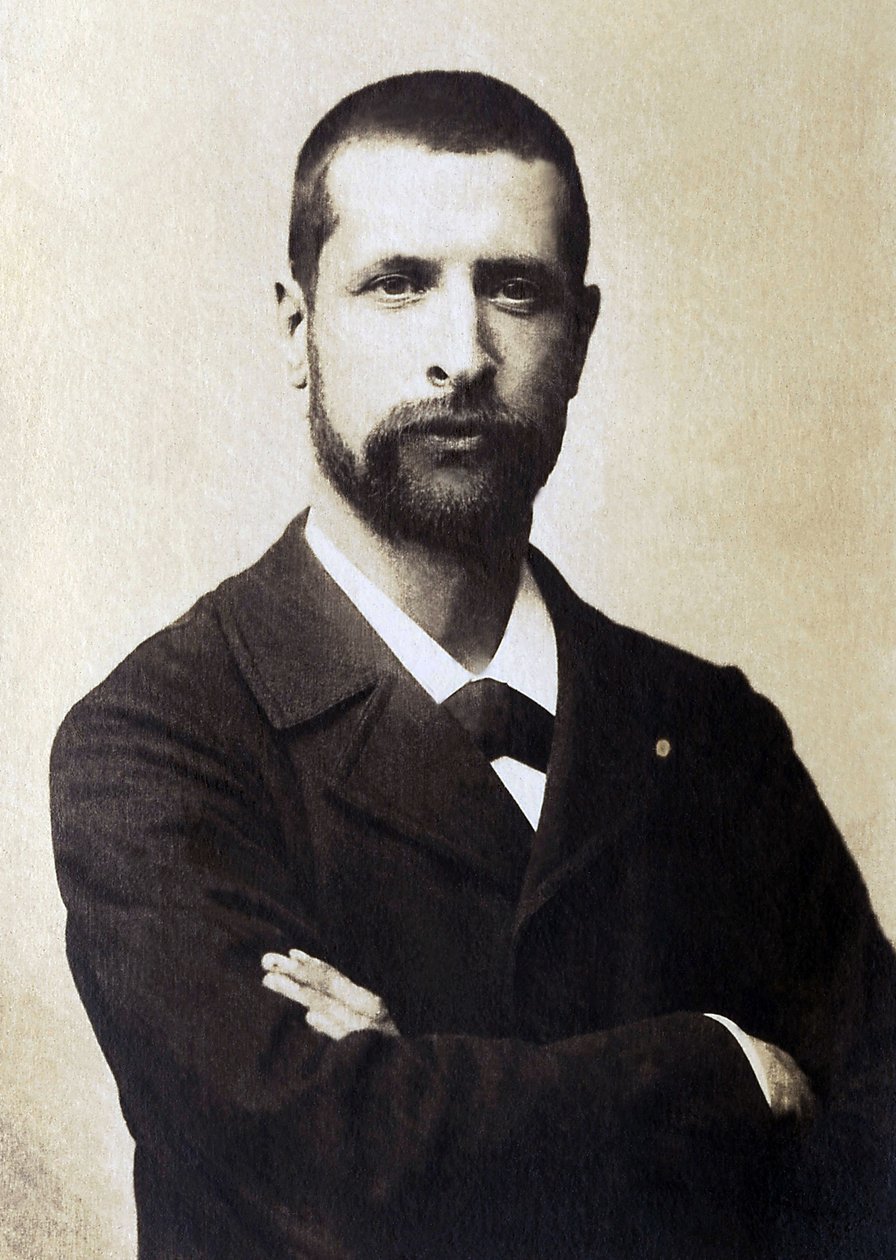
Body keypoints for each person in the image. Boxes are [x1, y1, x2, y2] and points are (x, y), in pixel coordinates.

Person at [50, 71, 895, 1259]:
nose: (462, 353)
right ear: (298, 331)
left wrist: (421, 1089)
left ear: (580, 337)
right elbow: (330, 1173)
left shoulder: (712, 734)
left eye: (514, 290)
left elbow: (875, 1169)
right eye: (396, 286)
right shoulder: (155, 743)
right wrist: (712, 1071)